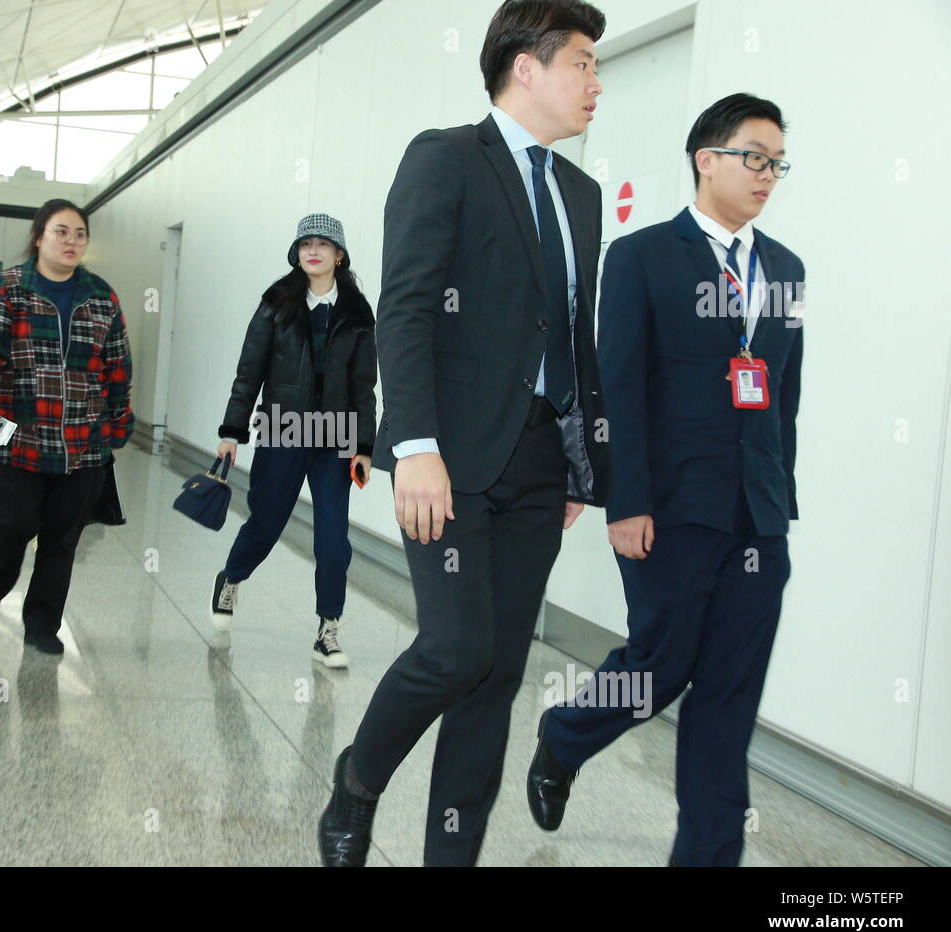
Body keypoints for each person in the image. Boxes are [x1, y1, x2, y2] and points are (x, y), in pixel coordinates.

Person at [318, 0, 610, 866]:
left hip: (538, 460)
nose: (598, 81)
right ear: (528, 65)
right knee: (455, 649)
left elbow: (574, 335)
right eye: (584, 62)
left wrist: (585, 466)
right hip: (448, 455)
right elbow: (405, 308)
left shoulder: (582, 195)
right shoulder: (446, 158)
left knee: (500, 671)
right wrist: (411, 447)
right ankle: (358, 781)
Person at [526, 93, 803, 867]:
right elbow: (618, 385)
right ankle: (565, 734)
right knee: (657, 670)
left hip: (758, 518)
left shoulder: (785, 270)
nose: (768, 175)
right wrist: (627, 501)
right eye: (755, 157)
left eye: (778, 163)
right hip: (672, 511)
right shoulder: (643, 256)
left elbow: (785, 394)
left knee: (728, 700)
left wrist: (780, 503)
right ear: (705, 159)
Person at [0, 199, 133, 654]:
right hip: (17, 433)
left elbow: (117, 364)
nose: (71, 241)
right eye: (61, 232)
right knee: (10, 524)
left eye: (79, 234)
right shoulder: (7, 289)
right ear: (39, 237)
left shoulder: (101, 295)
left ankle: (42, 624)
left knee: (62, 539)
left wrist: (118, 419)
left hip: (83, 441)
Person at [209, 214, 377, 668]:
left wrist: (364, 446)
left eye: (324, 244)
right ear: (297, 253)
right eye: (306, 243)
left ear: (339, 255)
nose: (314, 250)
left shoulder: (358, 313)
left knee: (332, 539)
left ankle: (328, 629)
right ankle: (232, 576)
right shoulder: (276, 303)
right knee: (266, 523)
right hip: (284, 429)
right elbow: (250, 371)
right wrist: (231, 432)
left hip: (336, 438)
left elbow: (364, 386)